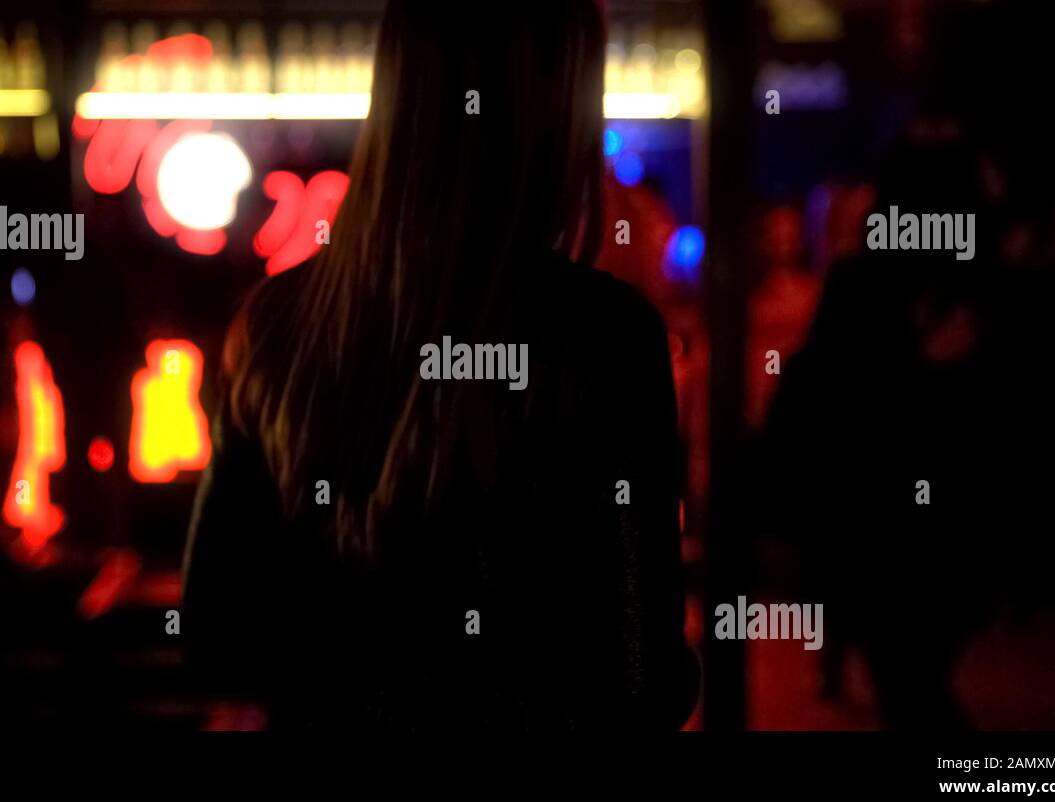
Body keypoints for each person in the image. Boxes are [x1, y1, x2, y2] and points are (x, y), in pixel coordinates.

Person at [181, 0, 696, 729]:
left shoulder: (277, 328)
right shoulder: (605, 340)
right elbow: (644, 675)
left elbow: (213, 637)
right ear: (562, 112)